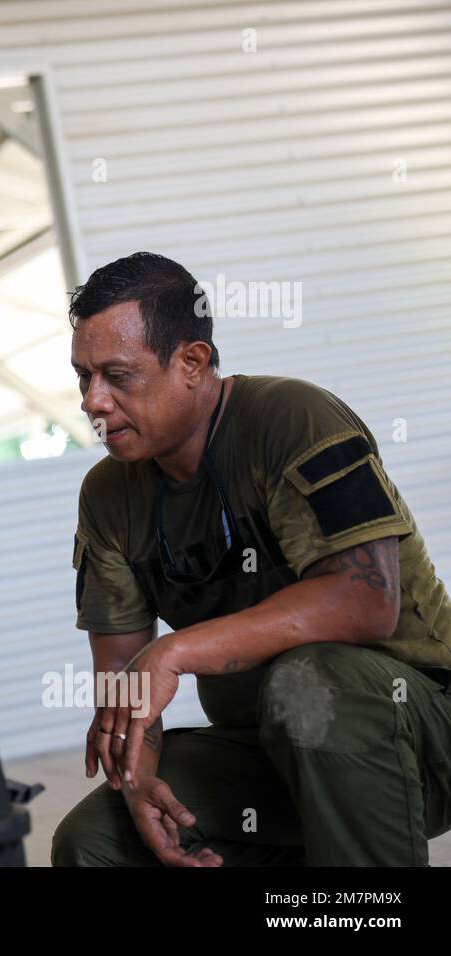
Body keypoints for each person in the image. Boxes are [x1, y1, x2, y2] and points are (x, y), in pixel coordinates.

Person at [52, 252, 451, 866]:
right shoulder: (108, 496)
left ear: (192, 362)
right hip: (271, 748)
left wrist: (176, 650)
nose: (92, 401)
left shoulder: (292, 419)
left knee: (311, 683)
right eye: (84, 377)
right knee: (96, 843)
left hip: (419, 732)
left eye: (117, 376)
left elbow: (366, 601)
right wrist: (139, 782)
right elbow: (122, 680)